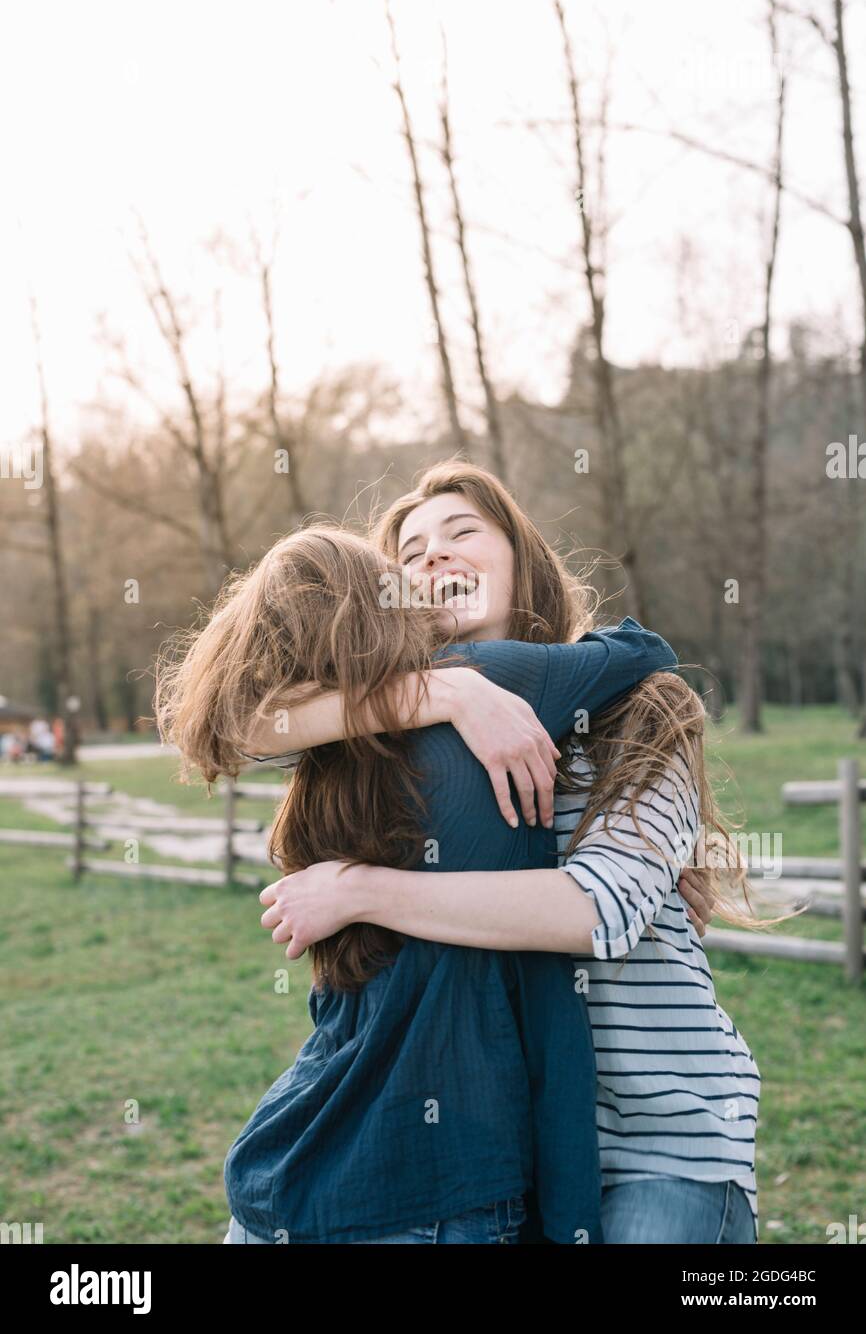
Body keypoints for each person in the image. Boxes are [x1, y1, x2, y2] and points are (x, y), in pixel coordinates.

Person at [242, 461, 781, 1243]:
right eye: (412, 551)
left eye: (463, 532)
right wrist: (450, 694)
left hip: (661, 1138)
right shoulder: (382, 729)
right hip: (518, 1148)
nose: (434, 555)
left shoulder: (637, 702)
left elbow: (601, 907)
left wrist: (360, 890)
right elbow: (236, 724)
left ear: (522, 555)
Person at [155, 523, 679, 1244]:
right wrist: (452, 689)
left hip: (294, 1157)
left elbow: (218, 721)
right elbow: (645, 648)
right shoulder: (498, 674)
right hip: (439, 1174)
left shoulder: (326, 751)